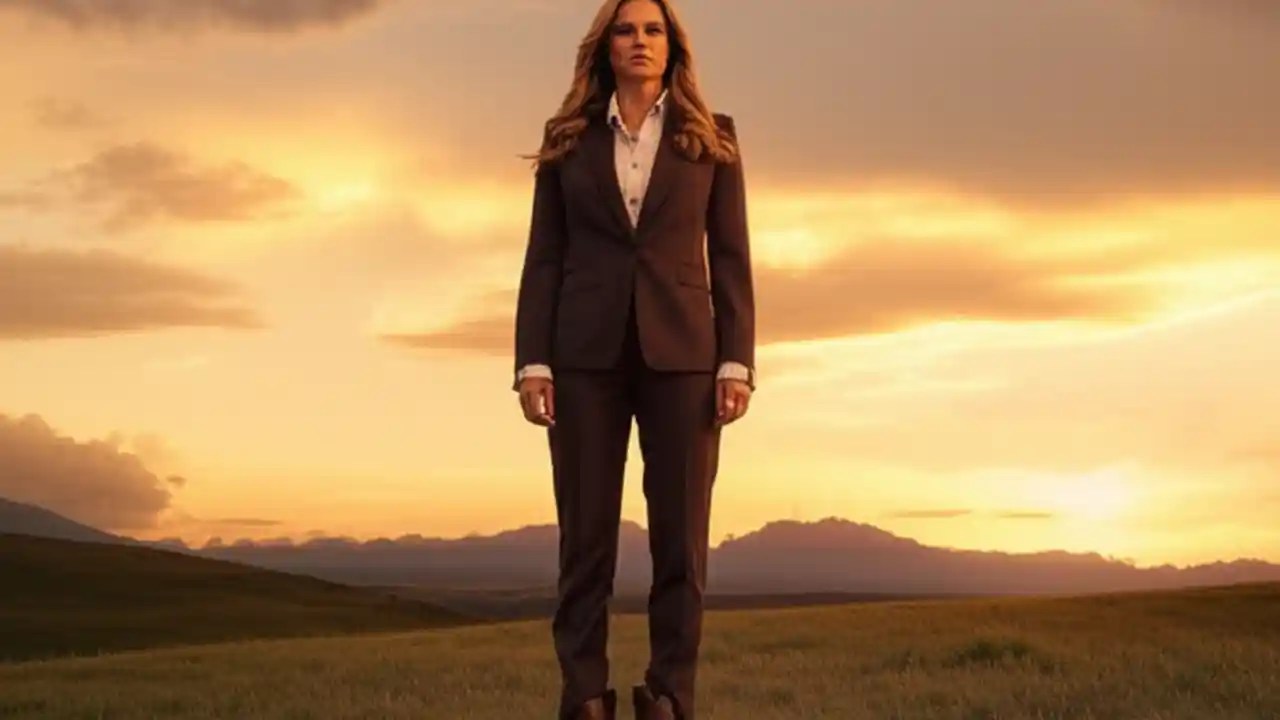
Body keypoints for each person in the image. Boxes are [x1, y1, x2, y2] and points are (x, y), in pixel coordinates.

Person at [512, 0, 755, 717]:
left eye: (653, 30)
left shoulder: (713, 138)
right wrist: (533, 363)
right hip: (583, 358)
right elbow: (544, 257)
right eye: (626, 30)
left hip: (684, 357)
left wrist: (735, 363)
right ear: (605, 47)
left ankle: (670, 696)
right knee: (584, 541)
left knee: (681, 543)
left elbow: (732, 254)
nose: (639, 41)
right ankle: (585, 697)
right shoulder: (567, 139)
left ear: (672, 48)